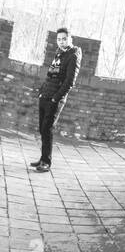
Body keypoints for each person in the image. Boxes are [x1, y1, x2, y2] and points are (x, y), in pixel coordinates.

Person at [31, 27, 81, 172]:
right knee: (42, 129)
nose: (61, 42)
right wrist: (41, 91)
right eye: (59, 39)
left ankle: (46, 162)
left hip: (55, 99)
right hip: (45, 95)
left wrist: (55, 99)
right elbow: (50, 74)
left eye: (64, 39)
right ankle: (42, 158)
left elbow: (69, 82)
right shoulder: (59, 53)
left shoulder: (73, 56)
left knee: (47, 129)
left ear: (70, 39)